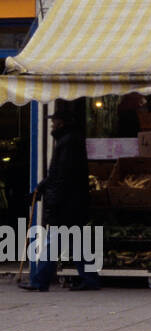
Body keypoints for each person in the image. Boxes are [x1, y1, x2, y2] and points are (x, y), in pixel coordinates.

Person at [23, 103, 98, 291]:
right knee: (76, 242)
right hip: (72, 203)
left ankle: (40, 281)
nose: (52, 124)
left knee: (53, 242)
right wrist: (40, 189)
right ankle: (90, 279)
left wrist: (51, 199)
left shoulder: (68, 142)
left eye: (54, 121)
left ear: (62, 123)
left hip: (66, 204)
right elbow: (57, 174)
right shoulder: (69, 140)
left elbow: (61, 175)